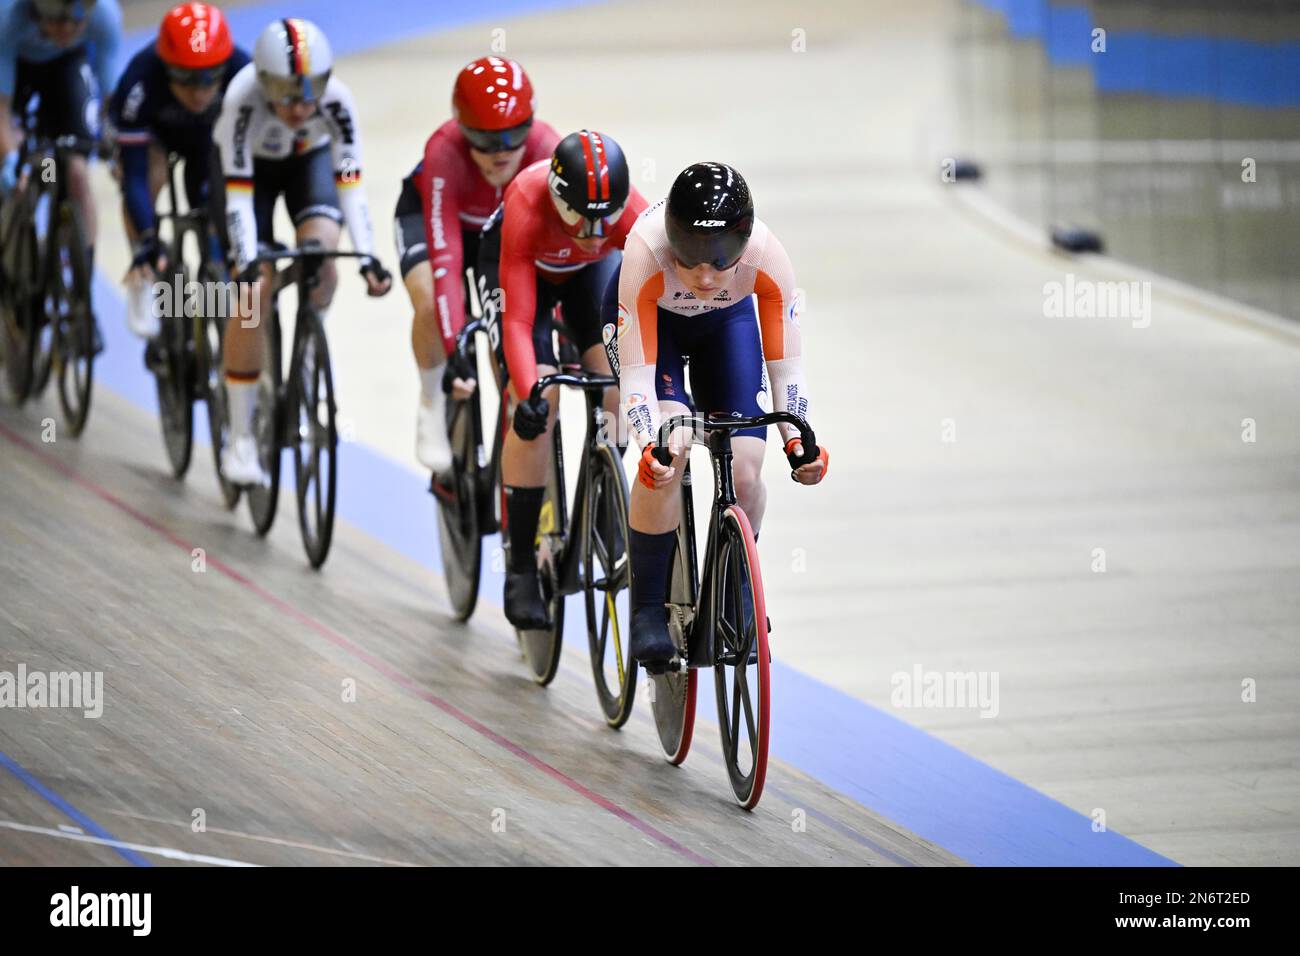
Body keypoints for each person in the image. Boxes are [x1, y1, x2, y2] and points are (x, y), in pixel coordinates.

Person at [608, 162, 829, 664]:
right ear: (671, 243)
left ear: (743, 245)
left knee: (748, 470)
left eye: (719, 263)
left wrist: (801, 443)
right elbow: (638, 381)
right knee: (672, 452)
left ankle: (737, 589)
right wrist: (649, 446)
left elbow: (787, 372)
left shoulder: (768, 257)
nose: (705, 277)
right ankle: (645, 609)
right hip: (654, 329)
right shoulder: (644, 252)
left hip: (725, 328)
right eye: (690, 262)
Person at [211, 17, 390, 486]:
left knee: (324, 256)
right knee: (251, 296)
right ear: (264, 82)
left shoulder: (336, 102)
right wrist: (248, 262)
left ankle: (308, 346)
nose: (299, 104)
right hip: (250, 180)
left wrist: (368, 256)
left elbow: (351, 187)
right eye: (287, 92)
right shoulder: (240, 98)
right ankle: (241, 437)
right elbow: (237, 198)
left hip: (307, 164)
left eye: (310, 90)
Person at [479, 129, 647, 629]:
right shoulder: (528, 202)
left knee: (616, 384)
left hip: (585, 278)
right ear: (557, 199)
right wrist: (527, 392)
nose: (594, 232)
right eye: (579, 218)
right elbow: (515, 320)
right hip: (519, 271)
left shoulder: (633, 219)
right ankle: (521, 570)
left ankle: (604, 497)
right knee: (540, 403)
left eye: (605, 221)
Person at [392, 55, 558, 472]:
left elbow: (563, 252)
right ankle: (431, 399)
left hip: (503, 233)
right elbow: (446, 257)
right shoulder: (444, 152)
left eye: (513, 136)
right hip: (435, 223)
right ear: (463, 132)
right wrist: (454, 346)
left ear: (531, 125)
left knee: (507, 328)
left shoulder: (547, 149)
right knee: (432, 300)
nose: (500, 153)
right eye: (484, 141)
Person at [107, 2, 249, 340]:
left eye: (209, 80)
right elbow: (136, 177)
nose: (199, 93)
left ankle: (219, 267)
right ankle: (144, 276)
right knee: (148, 175)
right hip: (157, 140)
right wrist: (146, 239)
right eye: (186, 80)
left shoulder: (243, 72)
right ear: (166, 67)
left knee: (219, 193)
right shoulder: (138, 81)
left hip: (209, 141)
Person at [0, 0, 121, 301]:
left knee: (76, 169)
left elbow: (110, 101)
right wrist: (12, 156)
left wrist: (118, 149)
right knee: (15, 171)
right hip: (16, 66)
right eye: (55, 21)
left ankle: (83, 283)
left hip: (65, 68)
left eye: (76, 22)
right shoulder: (8, 17)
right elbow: (2, 108)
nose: (65, 30)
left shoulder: (105, 15)